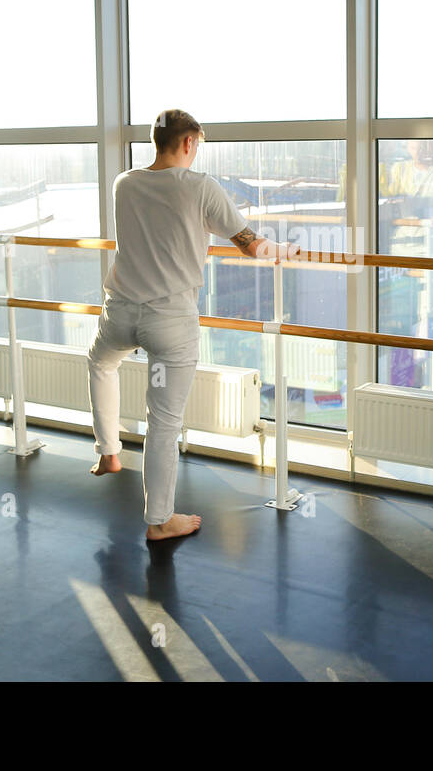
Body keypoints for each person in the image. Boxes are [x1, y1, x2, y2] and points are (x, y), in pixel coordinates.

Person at [87, 109, 297, 541]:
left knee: (100, 364)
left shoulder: (124, 184)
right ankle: (159, 521)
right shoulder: (202, 188)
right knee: (163, 422)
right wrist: (293, 251)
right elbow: (253, 247)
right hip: (169, 322)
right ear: (188, 142)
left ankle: (109, 450)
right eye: (197, 143)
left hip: (120, 311)